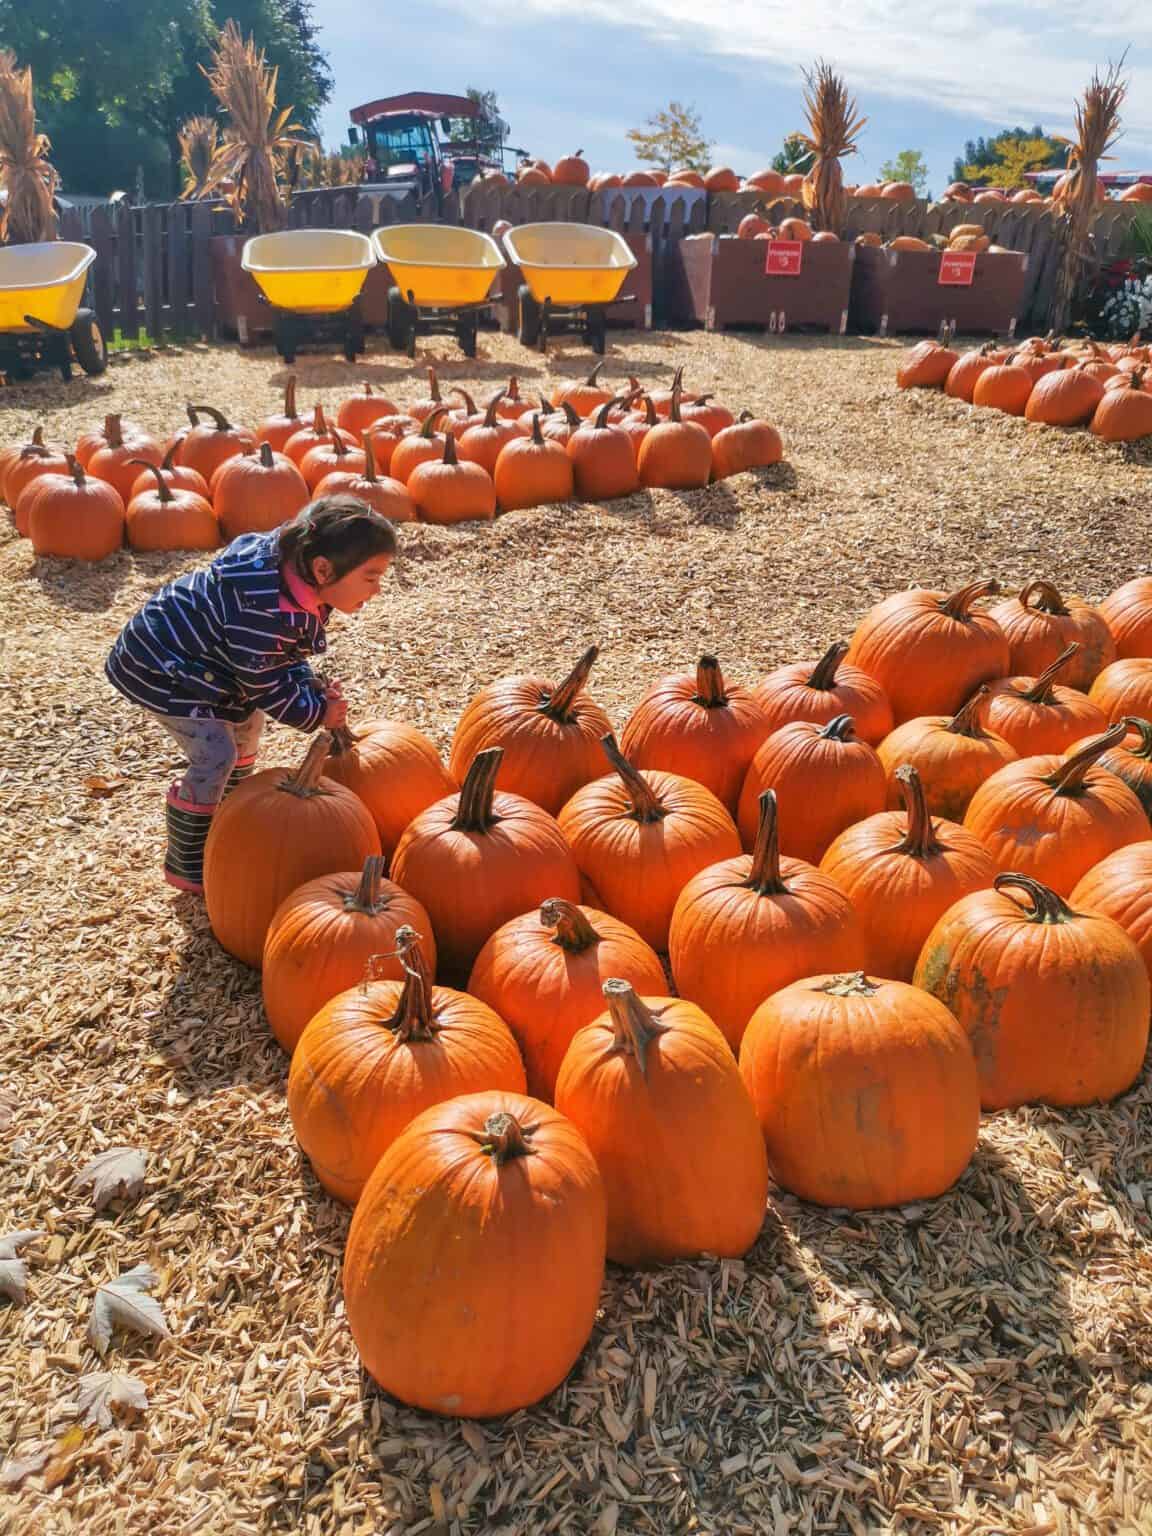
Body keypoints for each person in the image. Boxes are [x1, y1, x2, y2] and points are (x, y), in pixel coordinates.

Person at [105, 498, 397, 893]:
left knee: (246, 726)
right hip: (160, 666)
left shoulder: (296, 582)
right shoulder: (261, 610)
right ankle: (188, 862)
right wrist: (317, 713)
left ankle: (227, 816)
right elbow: (265, 683)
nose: (378, 589)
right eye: (371, 576)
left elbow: (278, 657)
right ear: (323, 569)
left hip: (208, 662)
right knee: (216, 753)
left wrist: (307, 685)